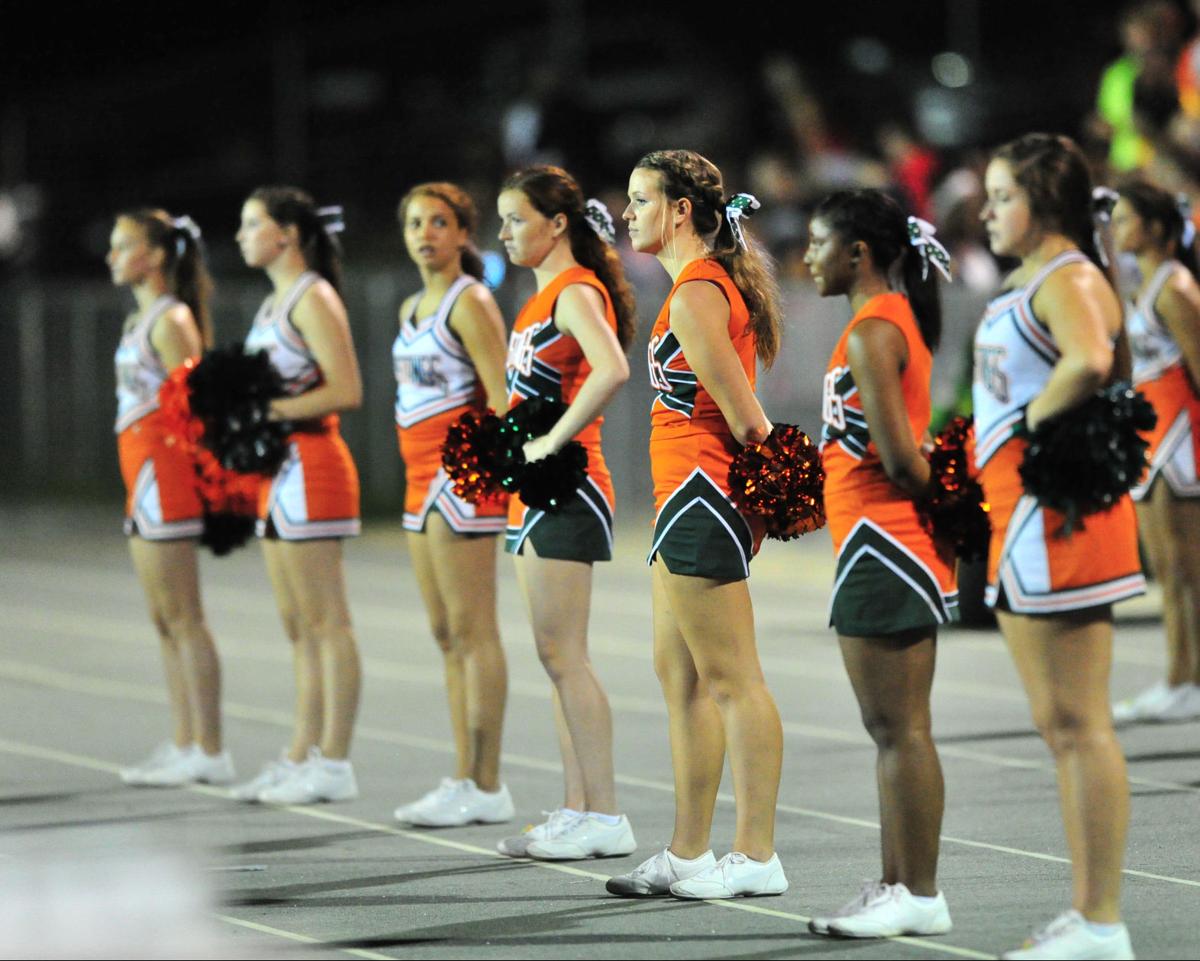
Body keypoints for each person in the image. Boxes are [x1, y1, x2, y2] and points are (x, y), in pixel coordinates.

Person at [975, 133, 1143, 960]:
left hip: (1057, 519)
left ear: (1042, 201)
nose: (987, 211)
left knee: (1080, 724)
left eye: (1002, 195)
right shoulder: (1039, 279)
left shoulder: (1069, 276)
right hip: (1023, 520)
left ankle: (1101, 918)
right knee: (1061, 725)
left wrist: (1033, 424)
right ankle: (1088, 913)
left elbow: (1091, 358)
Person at [606, 149, 786, 900]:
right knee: (679, 675)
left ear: (680, 210)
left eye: (640, 200)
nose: (627, 214)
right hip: (681, 496)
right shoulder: (695, 285)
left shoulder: (697, 293)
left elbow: (748, 418)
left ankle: (756, 853)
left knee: (733, 679)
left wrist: (783, 489)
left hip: (702, 496)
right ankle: (687, 851)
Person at [803, 190, 956, 936]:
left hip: (885, 543)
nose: (806, 257)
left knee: (902, 728)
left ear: (857, 252)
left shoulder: (873, 330)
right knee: (889, 728)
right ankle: (897, 882)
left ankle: (920, 894)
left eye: (817, 243)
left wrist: (958, 511)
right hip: (875, 541)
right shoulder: (885, 322)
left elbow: (898, 458)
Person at [493, 165, 637, 860]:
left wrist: (553, 438)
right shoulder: (536, 298)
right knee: (554, 658)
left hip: (570, 486)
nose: (504, 232)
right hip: (534, 489)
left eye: (516, 218)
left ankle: (605, 812)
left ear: (557, 223)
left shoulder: (576, 290)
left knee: (566, 655)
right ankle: (579, 806)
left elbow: (612, 368)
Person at [229, 187, 364, 805]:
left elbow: (346, 389)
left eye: (251, 224)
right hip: (276, 472)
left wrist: (265, 408)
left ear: (285, 234)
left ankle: (335, 760)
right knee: (296, 626)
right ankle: (300, 752)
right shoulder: (271, 304)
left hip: (312, 466)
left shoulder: (314, 296)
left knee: (327, 622)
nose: (240, 235)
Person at [389, 182, 515, 826]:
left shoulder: (470, 302)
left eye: (439, 222)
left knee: (474, 631)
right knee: (445, 636)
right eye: (415, 223)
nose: (425, 234)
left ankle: (485, 782)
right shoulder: (412, 304)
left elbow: (501, 399)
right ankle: (462, 771)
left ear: (464, 234)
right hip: (417, 482)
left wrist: (486, 471)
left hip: (459, 482)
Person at [110, 209, 233, 788]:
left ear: (155, 254)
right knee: (164, 620)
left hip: (167, 477)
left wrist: (204, 485)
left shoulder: (171, 319)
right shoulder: (142, 318)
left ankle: (210, 747)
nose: (111, 256)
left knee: (185, 617)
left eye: (122, 245)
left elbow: (200, 406)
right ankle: (185, 740)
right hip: (142, 478)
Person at [1110, 181, 1200, 722]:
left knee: (1188, 569)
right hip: (1151, 437)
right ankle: (1177, 677)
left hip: (1180, 438)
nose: (1118, 228)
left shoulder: (1176, 286)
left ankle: (1191, 678)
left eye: (1126, 219)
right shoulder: (1144, 286)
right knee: (1165, 569)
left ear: (1158, 228)